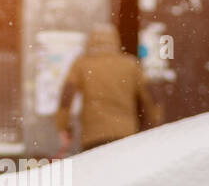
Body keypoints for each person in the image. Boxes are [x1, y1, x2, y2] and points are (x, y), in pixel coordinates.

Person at [55, 22, 162, 153]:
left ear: (91, 41)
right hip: (125, 135)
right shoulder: (130, 64)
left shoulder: (81, 64)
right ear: (115, 40)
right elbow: (151, 95)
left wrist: (63, 126)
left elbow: (67, 96)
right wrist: (155, 121)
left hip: (93, 137)